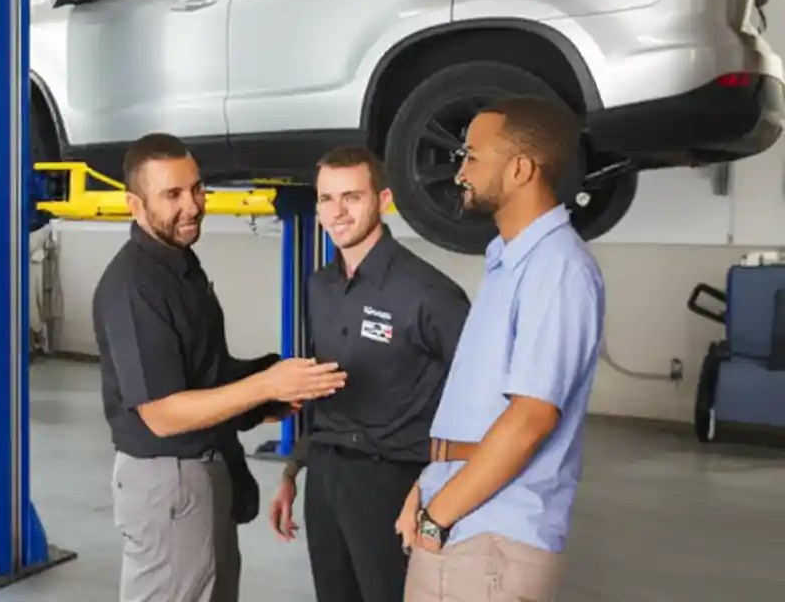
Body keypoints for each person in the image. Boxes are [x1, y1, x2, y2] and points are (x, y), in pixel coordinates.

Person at [93, 132, 350, 602]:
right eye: (171, 195)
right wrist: (263, 385)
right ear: (134, 204)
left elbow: (202, 371)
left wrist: (270, 392)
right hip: (167, 481)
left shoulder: (179, 266)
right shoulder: (135, 288)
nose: (191, 205)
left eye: (196, 189)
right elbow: (162, 413)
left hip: (202, 471)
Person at [399, 96, 606, 602]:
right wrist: (426, 490)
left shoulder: (556, 269)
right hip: (463, 520)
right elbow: (477, 410)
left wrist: (437, 517)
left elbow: (530, 419)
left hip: (489, 537)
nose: (460, 172)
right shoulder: (507, 261)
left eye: (472, 156)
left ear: (519, 169)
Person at [265, 146, 470, 602]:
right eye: (325, 199)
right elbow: (322, 389)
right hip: (327, 476)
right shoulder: (320, 287)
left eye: (352, 197)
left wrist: (435, 491)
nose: (336, 212)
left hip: (393, 482)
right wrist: (293, 469)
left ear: (384, 199)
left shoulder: (431, 294)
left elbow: (475, 402)